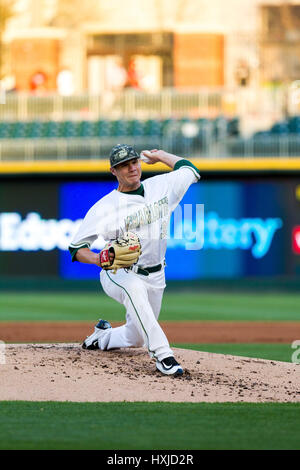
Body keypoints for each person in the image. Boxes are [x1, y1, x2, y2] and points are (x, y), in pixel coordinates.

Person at [68, 144, 200, 376]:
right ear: (113, 171)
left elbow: (190, 170)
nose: (131, 168)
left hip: (157, 274)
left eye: (133, 162)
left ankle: (103, 338)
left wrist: (160, 156)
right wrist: (100, 258)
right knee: (135, 291)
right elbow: (77, 248)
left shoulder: (161, 186)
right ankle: (164, 356)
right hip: (120, 272)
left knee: (136, 336)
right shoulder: (104, 207)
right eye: (123, 165)